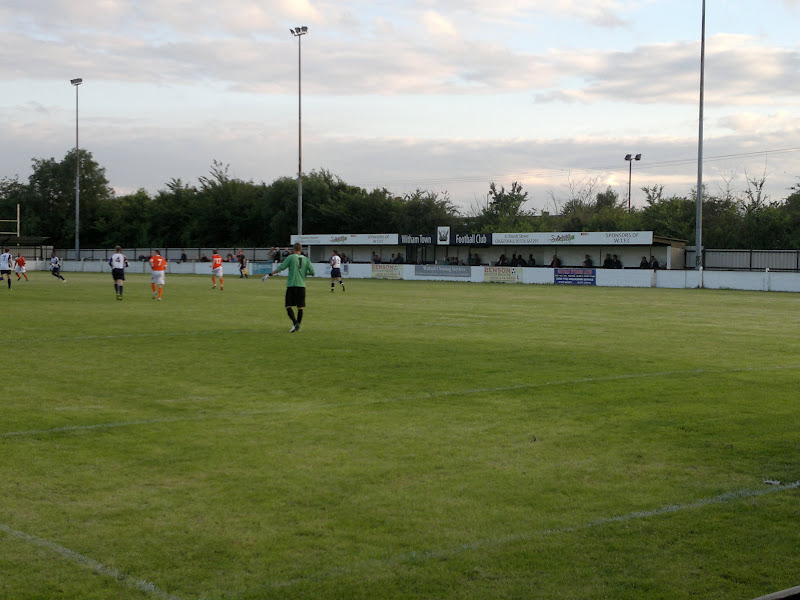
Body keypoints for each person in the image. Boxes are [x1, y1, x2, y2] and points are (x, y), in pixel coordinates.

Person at [264, 242, 315, 332]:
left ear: (293, 249)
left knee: (288, 306)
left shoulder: (291, 257)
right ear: (301, 250)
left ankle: (295, 323)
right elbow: (312, 272)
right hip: (301, 286)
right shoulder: (306, 259)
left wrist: (269, 274)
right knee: (300, 307)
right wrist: (303, 273)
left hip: (292, 285)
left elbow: (281, 267)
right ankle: (297, 325)